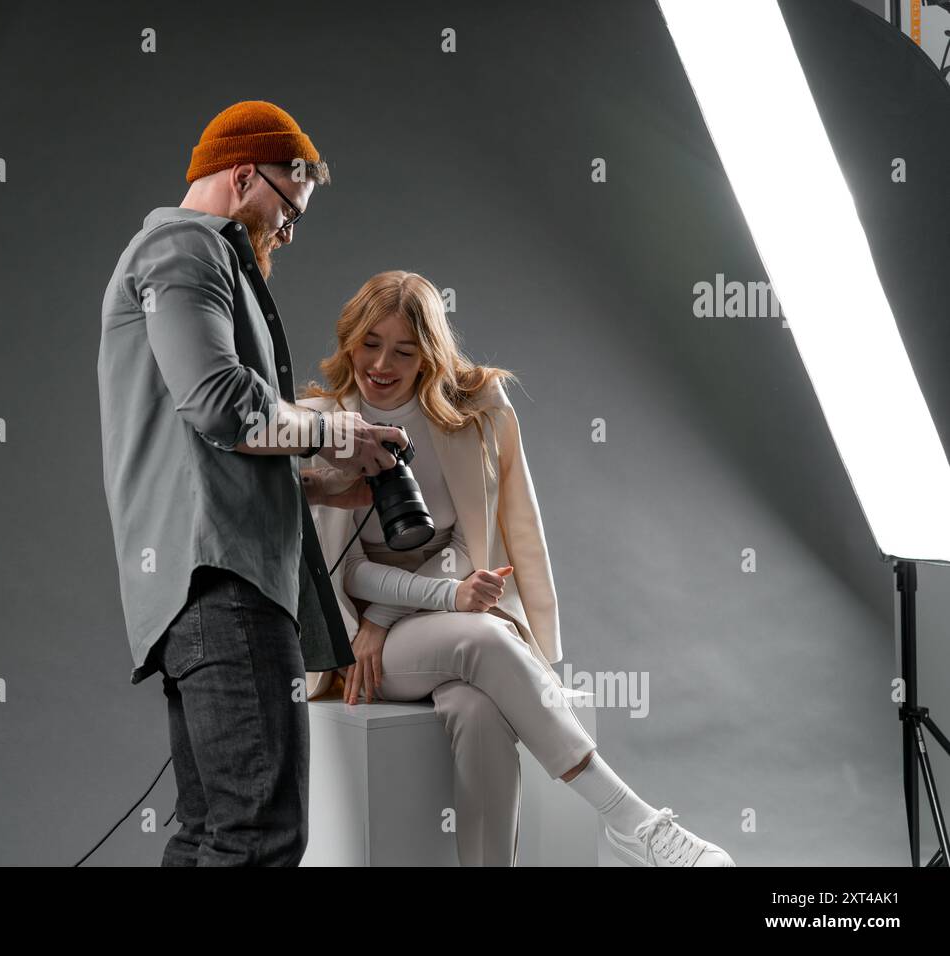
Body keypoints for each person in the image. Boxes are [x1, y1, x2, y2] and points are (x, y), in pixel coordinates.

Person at [299, 270, 737, 867]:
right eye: (370, 343)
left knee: (478, 710)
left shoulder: (471, 415)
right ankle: (631, 819)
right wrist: (378, 618)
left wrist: (395, 609)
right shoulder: (319, 423)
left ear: (429, 355)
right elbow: (343, 570)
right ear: (349, 339)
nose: (382, 364)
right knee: (483, 637)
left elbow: (469, 539)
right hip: (366, 649)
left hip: (434, 612)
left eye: (404, 350)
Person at [97, 100, 404, 866]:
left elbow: (213, 450)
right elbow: (220, 405)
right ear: (243, 176)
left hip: (203, 588)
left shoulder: (190, 258)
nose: (287, 233)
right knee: (257, 836)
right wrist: (336, 427)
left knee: (212, 833)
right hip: (224, 588)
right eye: (288, 210)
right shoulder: (183, 250)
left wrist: (333, 482)